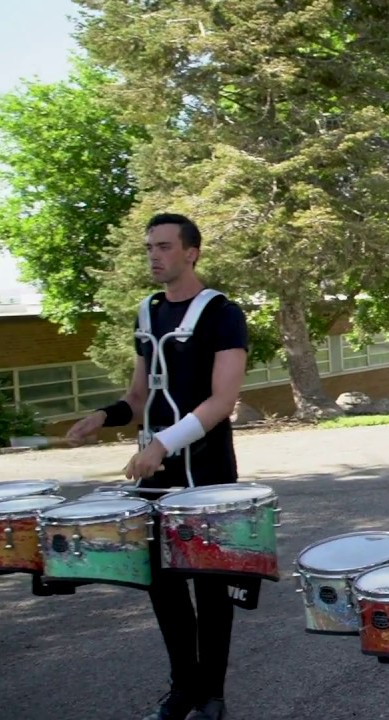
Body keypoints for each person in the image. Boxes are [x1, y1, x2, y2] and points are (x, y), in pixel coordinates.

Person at [67, 213, 249, 720]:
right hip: (159, 477)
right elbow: (139, 395)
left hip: (207, 473)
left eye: (165, 246)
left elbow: (222, 401)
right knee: (164, 588)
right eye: (150, 246)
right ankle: (182, 690)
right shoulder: (147, 313)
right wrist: (103, 417)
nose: (154, 255)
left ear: (191, 252)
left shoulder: (221, 313)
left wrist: (162, 444)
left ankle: (211, 695)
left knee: (210, 590)